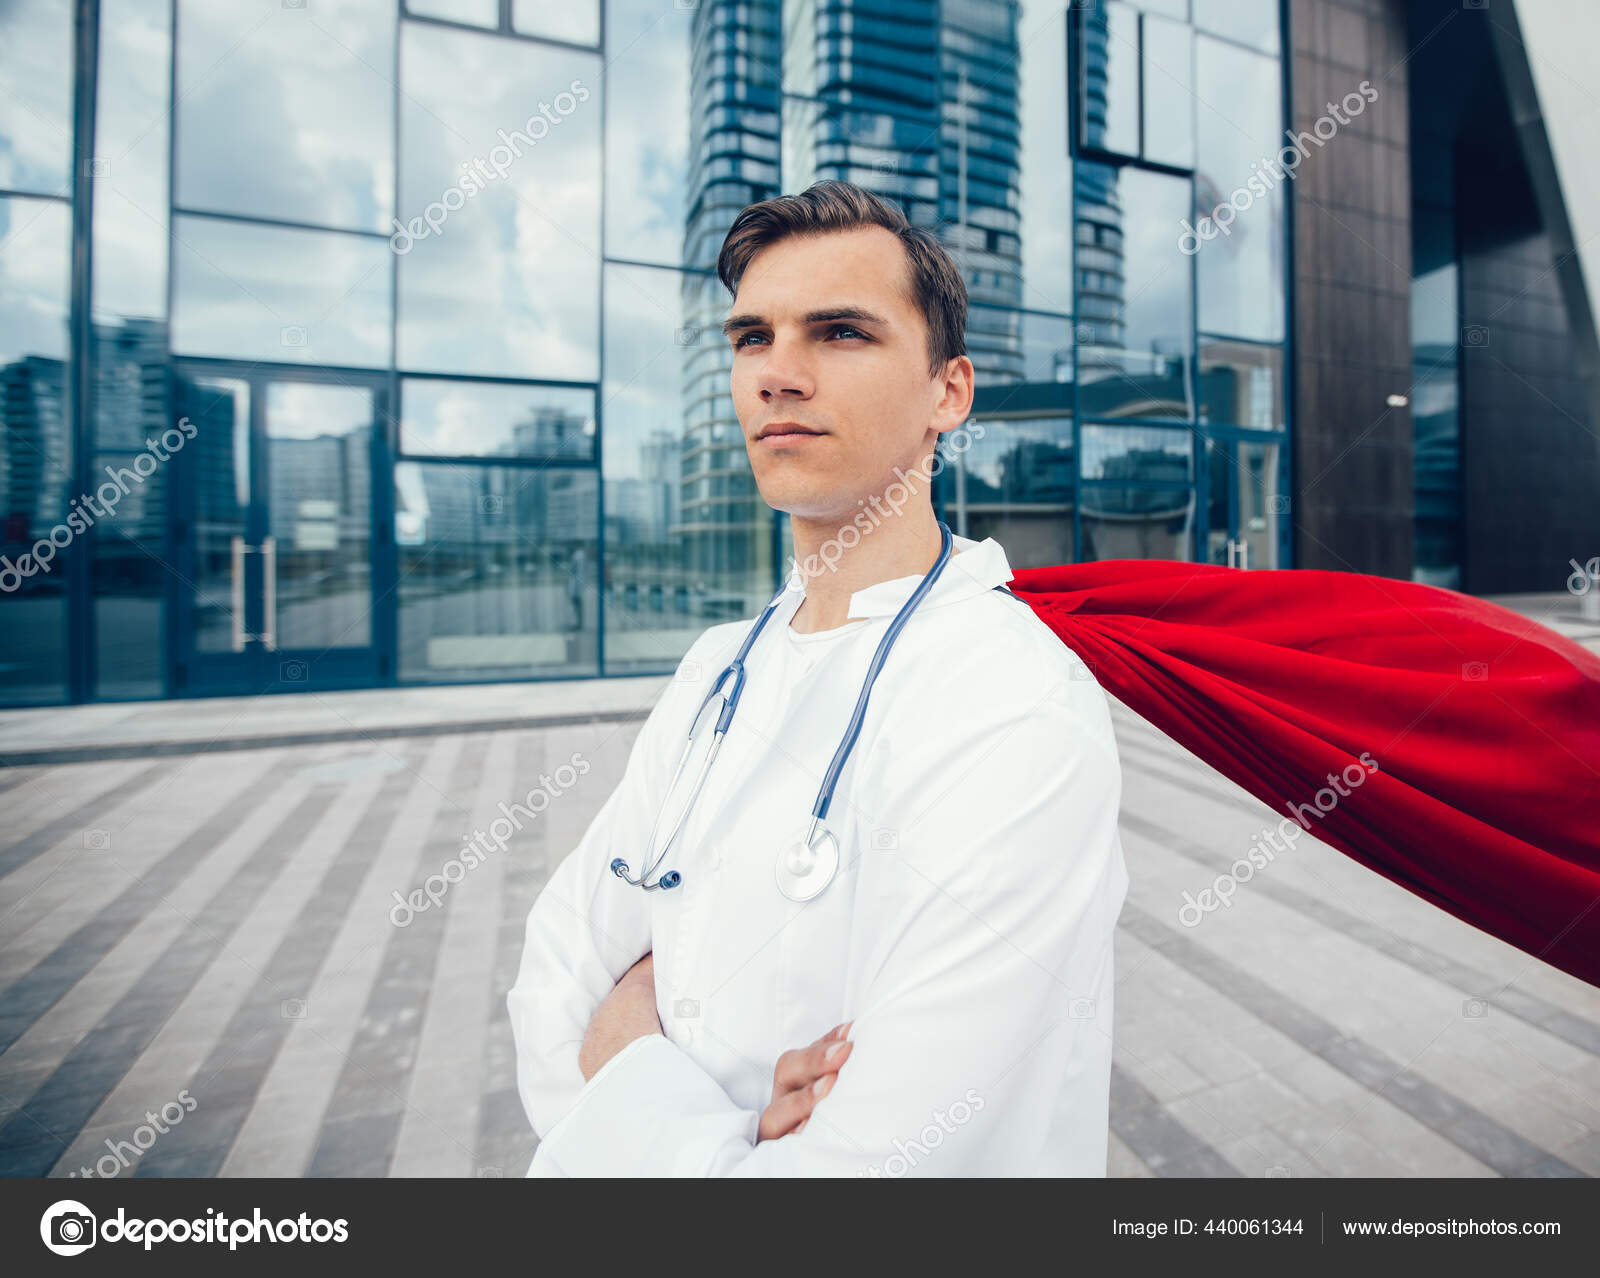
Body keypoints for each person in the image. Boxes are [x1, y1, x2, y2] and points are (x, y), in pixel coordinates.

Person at [506, 180, 1128, 1176]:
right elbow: (550, 991)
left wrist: (634, 1078)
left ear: (948, 394)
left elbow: (876, 1170)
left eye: (839, 333)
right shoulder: (718, 666)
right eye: (751, 337)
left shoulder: (1014, 703)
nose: (775, 376)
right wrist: (729, 1135)